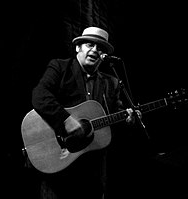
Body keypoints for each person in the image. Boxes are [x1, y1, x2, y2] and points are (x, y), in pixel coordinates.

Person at [31, 26, 141, 199]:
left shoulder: (111, 83)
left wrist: (127, 119)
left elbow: (112, 118)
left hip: (92, 169)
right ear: (78, 47)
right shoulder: (60, 67)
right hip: (59, 163)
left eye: (100, 48)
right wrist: (66, 121)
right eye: (90, 45)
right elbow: (40, 96)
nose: (95, 51)